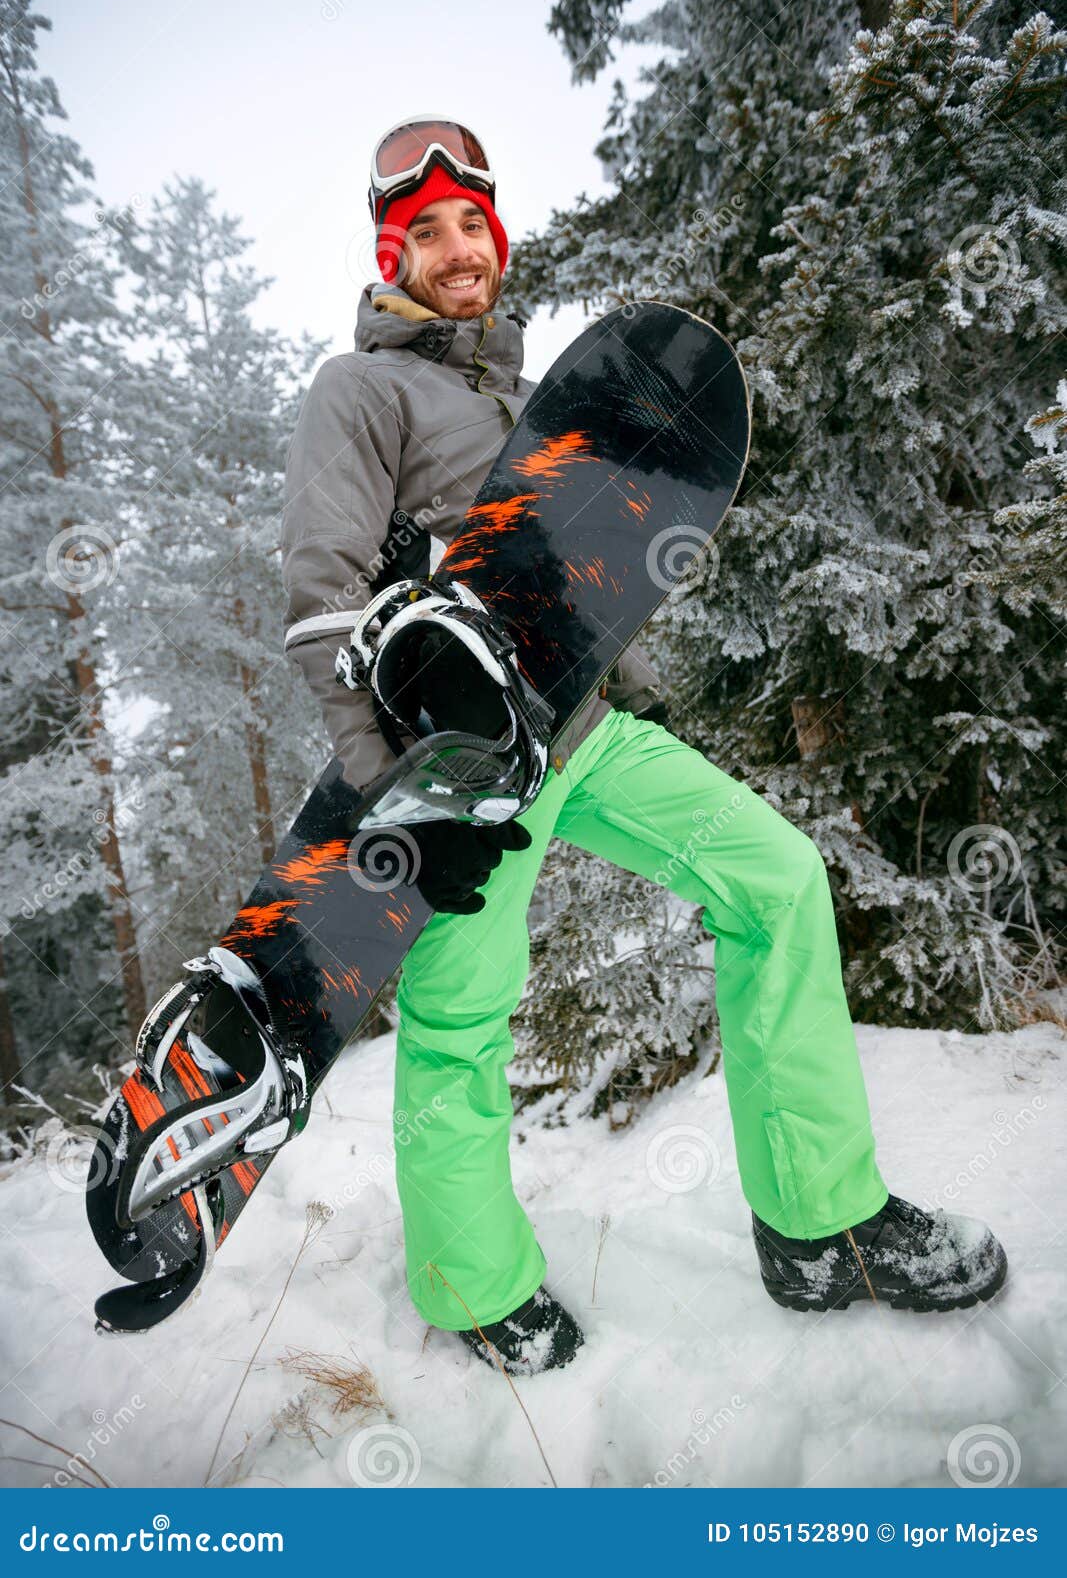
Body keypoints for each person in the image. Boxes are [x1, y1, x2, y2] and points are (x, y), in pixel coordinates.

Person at [281, 117, 1007, 1376]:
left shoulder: (527, 399)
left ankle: (819, 1219)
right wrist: (391, 787)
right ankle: (473, 1284)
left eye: (472, 226)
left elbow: (582, 578)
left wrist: (638, 685)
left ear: (497, 242)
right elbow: (319, 600)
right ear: (390, 253)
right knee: (461, 1013)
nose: (456, 251)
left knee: (774, 879)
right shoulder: (361, 391)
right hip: (468, 765)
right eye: (425, 232)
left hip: (590, 732)